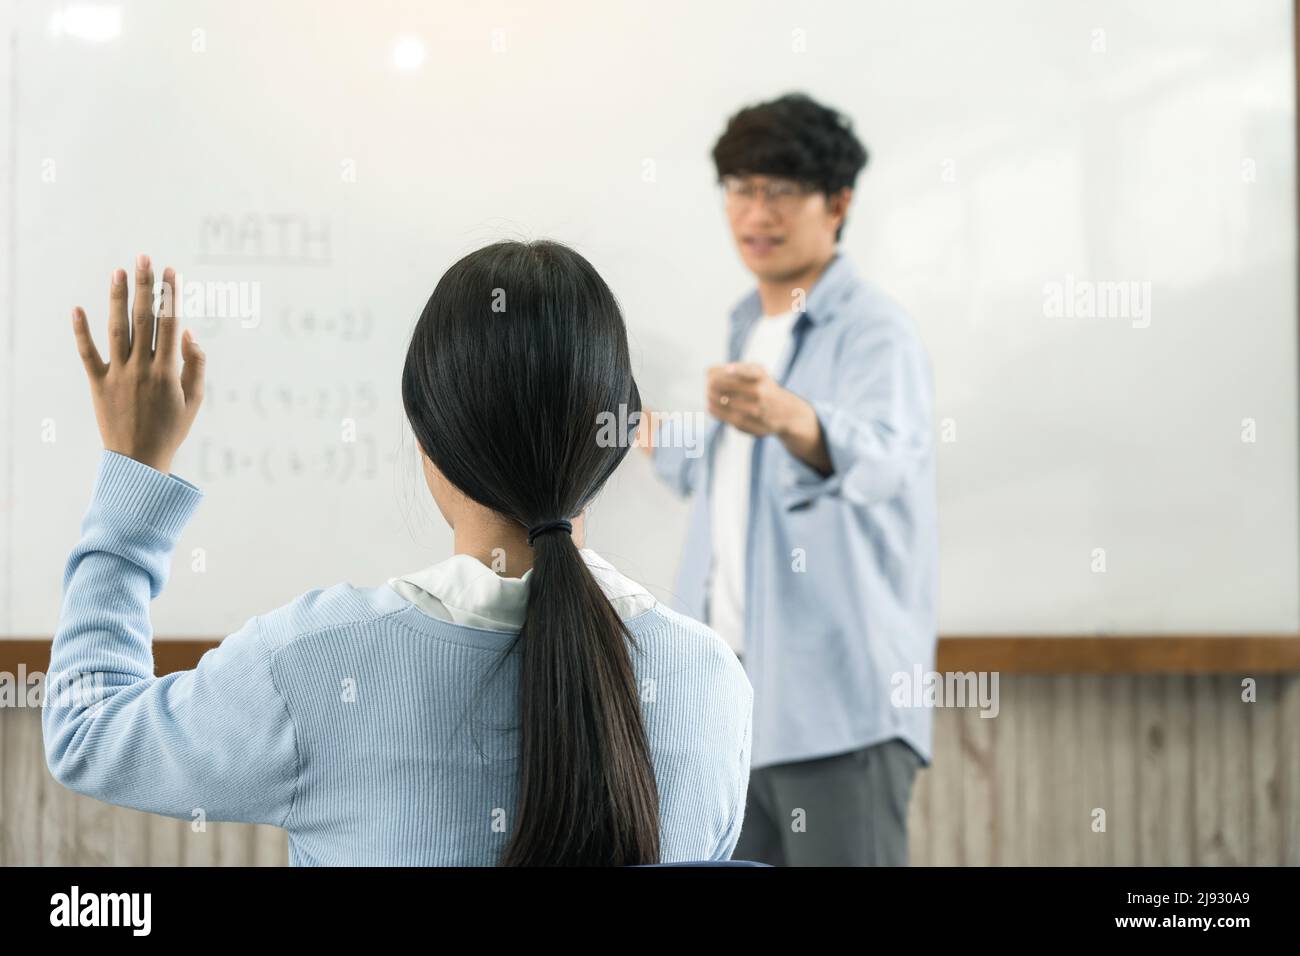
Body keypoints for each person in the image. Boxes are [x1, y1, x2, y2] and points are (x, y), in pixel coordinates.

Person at [46, 241, 752, 866]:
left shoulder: (316, 665)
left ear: (428, 442)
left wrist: (133, 473)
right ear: (617, 438)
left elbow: (87, 731)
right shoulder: (708, 683)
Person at [639, 93, 938, 866]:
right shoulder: (748, 326)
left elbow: (884, 457)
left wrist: (792, 416)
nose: (756, 213)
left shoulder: (874, 330)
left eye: (780, 191)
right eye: (740, 189)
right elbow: (721, 475)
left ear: (838, 203)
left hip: (840, 714)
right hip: (733, 711)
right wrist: (628, 425)